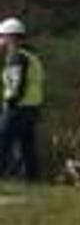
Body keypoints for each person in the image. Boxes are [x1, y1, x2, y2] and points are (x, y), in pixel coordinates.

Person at [0, 18, 42, 182]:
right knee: (27, 146)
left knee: (3, 140)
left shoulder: (16, 57)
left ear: (11, 37)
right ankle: (32, 180)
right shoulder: (31, 56)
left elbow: (16, 85)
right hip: (32, 108)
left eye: (2, 36)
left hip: (17, 107)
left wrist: (9, 103)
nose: (1, 40)